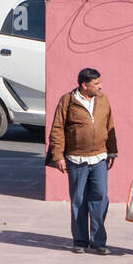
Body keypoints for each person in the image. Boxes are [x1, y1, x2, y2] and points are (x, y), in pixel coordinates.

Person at [47, 68, 118, 254]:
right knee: (79, 199)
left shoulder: (103, 100)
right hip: (76, 159)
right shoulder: (67, 101)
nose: (100, 86)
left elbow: (110, 125)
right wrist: (58, 156)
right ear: (84, 85)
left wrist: (112, 152)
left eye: (100, 83)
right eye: (96, 84)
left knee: (100, 197)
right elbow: (57, 129)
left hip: (100, 158)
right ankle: (80, 240)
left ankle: (98, 241)